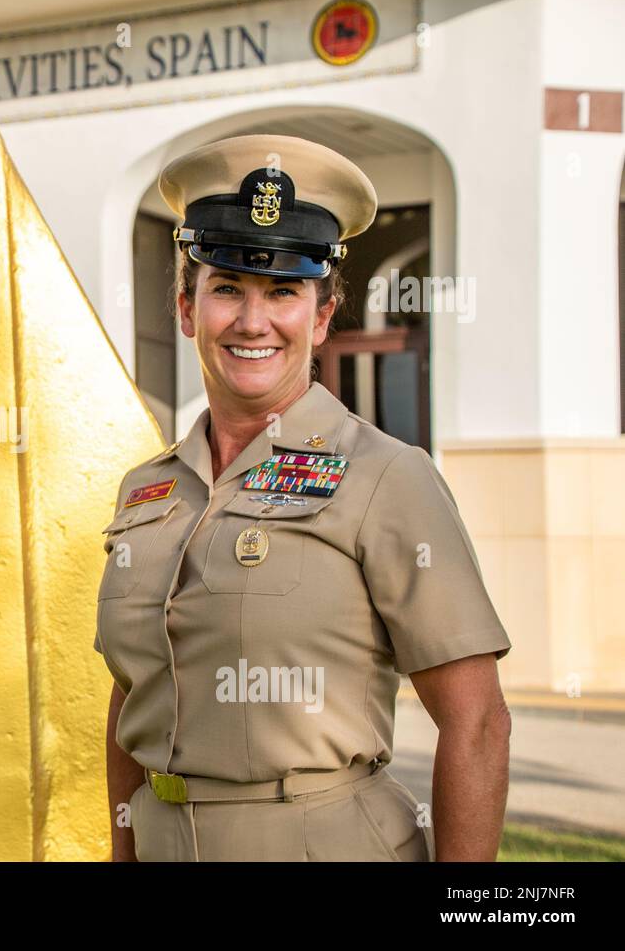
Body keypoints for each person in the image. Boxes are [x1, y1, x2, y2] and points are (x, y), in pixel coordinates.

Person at [94, 134, 512, 862]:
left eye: (283, 292)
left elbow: (476, 721)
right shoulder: (146, 490)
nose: (253, 322)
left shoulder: (386, 476)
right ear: (187, 309)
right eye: (227, 287)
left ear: (320, 318)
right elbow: (131, 696)